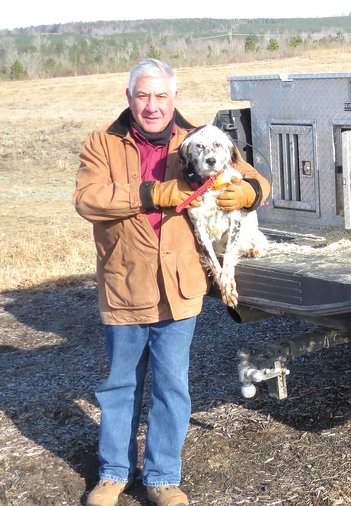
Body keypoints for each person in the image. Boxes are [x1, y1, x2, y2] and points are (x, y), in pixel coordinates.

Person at [73, 58, 270, 506]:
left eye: (161, 96)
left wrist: (250, 192)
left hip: (179, 287)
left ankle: (162, 477)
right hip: (125, 285)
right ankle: (113, 474)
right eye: (143, 96)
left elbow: (254, 176)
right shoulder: (102, 144)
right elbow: (87, 199)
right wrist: (151, 193)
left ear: (174, 99)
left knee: (171, 386)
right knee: (120, 385)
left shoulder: (199, 139)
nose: (152, 105)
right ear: (129, 99)